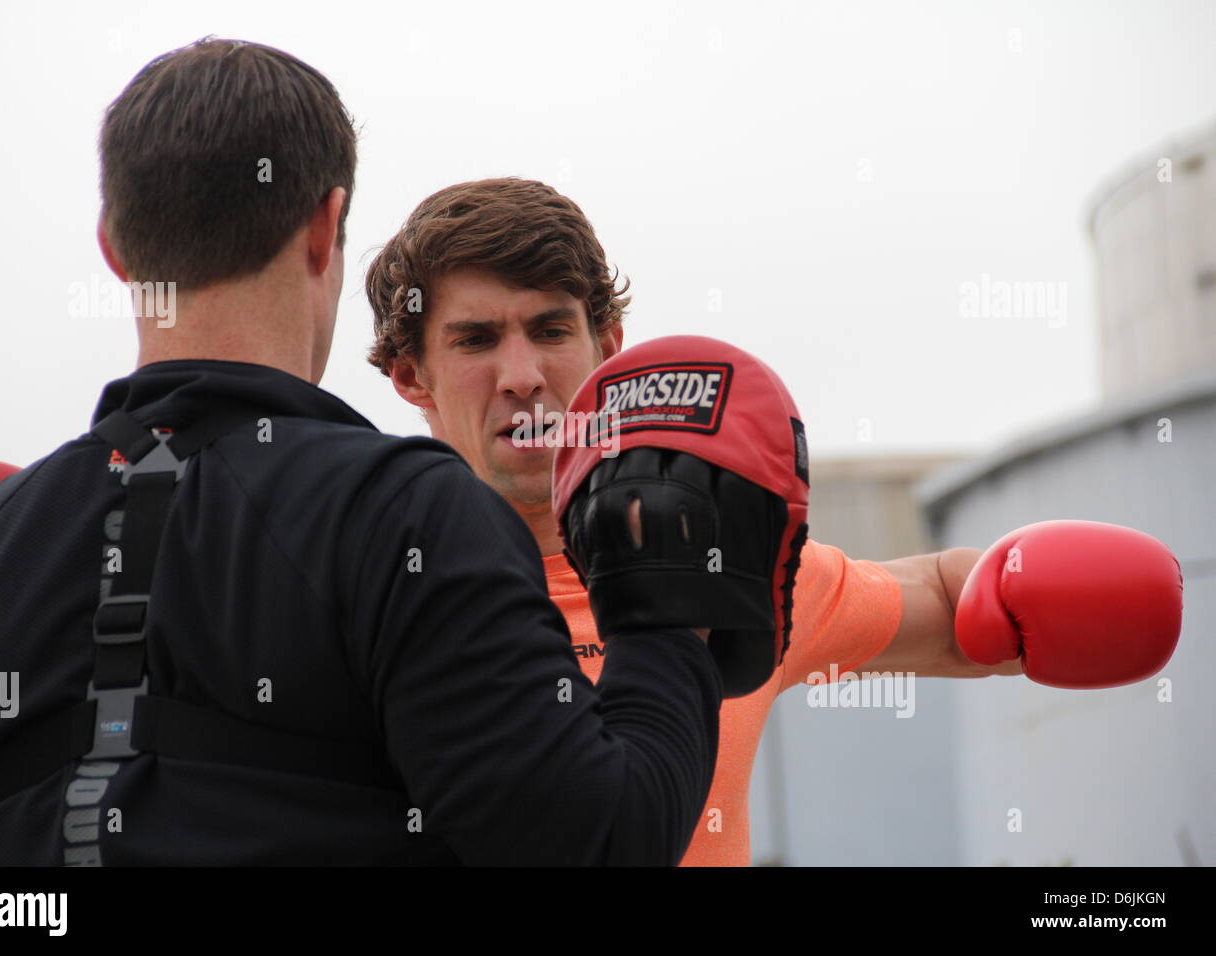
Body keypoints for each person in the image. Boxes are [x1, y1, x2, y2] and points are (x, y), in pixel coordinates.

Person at [0, 39, 763, 867]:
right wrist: (669, 614)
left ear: (113, 247)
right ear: (326, 228)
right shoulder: (409, 517)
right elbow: (593, 841)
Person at [363, 177, 1184, 866]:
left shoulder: (722, 568)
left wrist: (1030, 589)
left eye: (550, 330)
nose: (522, 375)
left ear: (609, 346)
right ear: (412, 376)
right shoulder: (366, 586)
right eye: (475, 340)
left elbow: (944, 606)